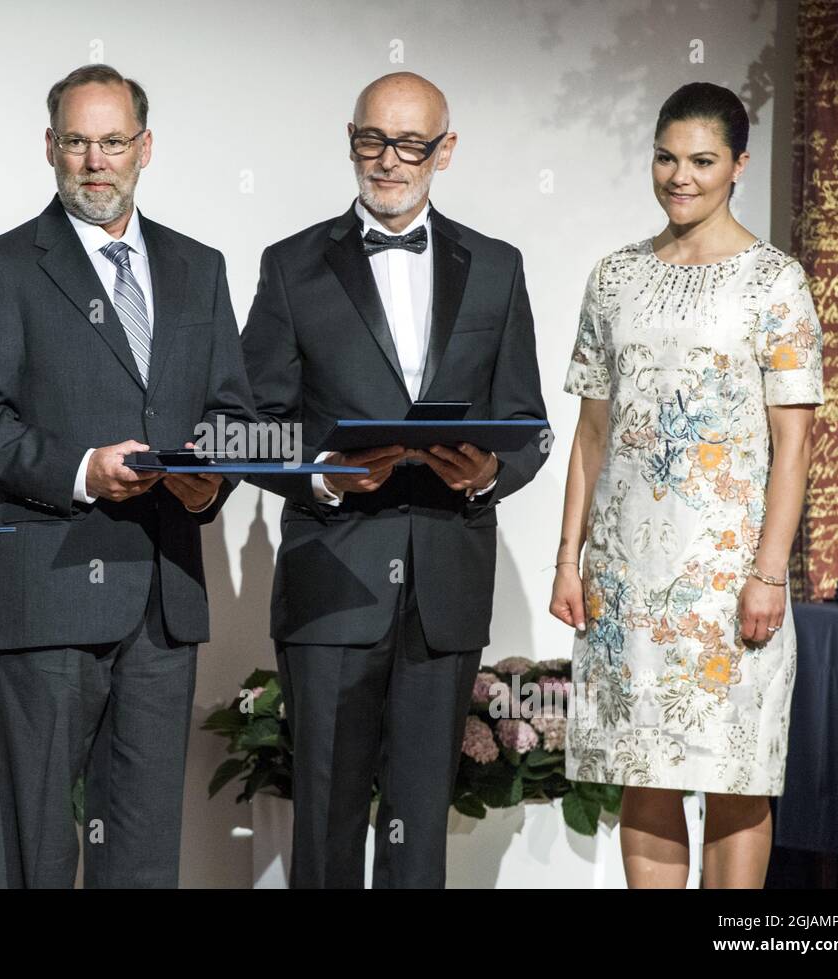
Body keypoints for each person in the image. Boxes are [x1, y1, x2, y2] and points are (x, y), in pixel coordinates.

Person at [240, 72, 549, 888]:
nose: (388, 160)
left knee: (420, 832)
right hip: (334, 577)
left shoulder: (496, 265)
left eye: (410, 144)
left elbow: (529, 422)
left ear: (444, 150)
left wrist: (488, 473)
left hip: (446, 578)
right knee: (326, 823)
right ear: (351, 138)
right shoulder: (291, 265)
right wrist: (326, 474)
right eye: (372, 140)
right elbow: (246, 423)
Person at [0, 64, 256, 888]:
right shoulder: (0, 266)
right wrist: (82, 470)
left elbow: (231, 412)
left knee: (145, 847)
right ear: (49, 148)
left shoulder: (201, 267)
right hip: (50, 593)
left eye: (113, 142)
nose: (96, 161)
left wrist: (211, 481)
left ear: (144, 148)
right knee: (38, 842)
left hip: (164, 597)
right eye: (78, 142)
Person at [550, 82, 824, 888]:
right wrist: (570, 558)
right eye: (667, 159)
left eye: (702, 160)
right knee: (646, 769)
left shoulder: (777, 283)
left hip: (731, 576)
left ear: (738, 164)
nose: (681, 177)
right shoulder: (615, 277)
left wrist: (768, 572)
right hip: (628, 580)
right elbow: (592, 431)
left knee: (735, 773)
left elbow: (794, 443)